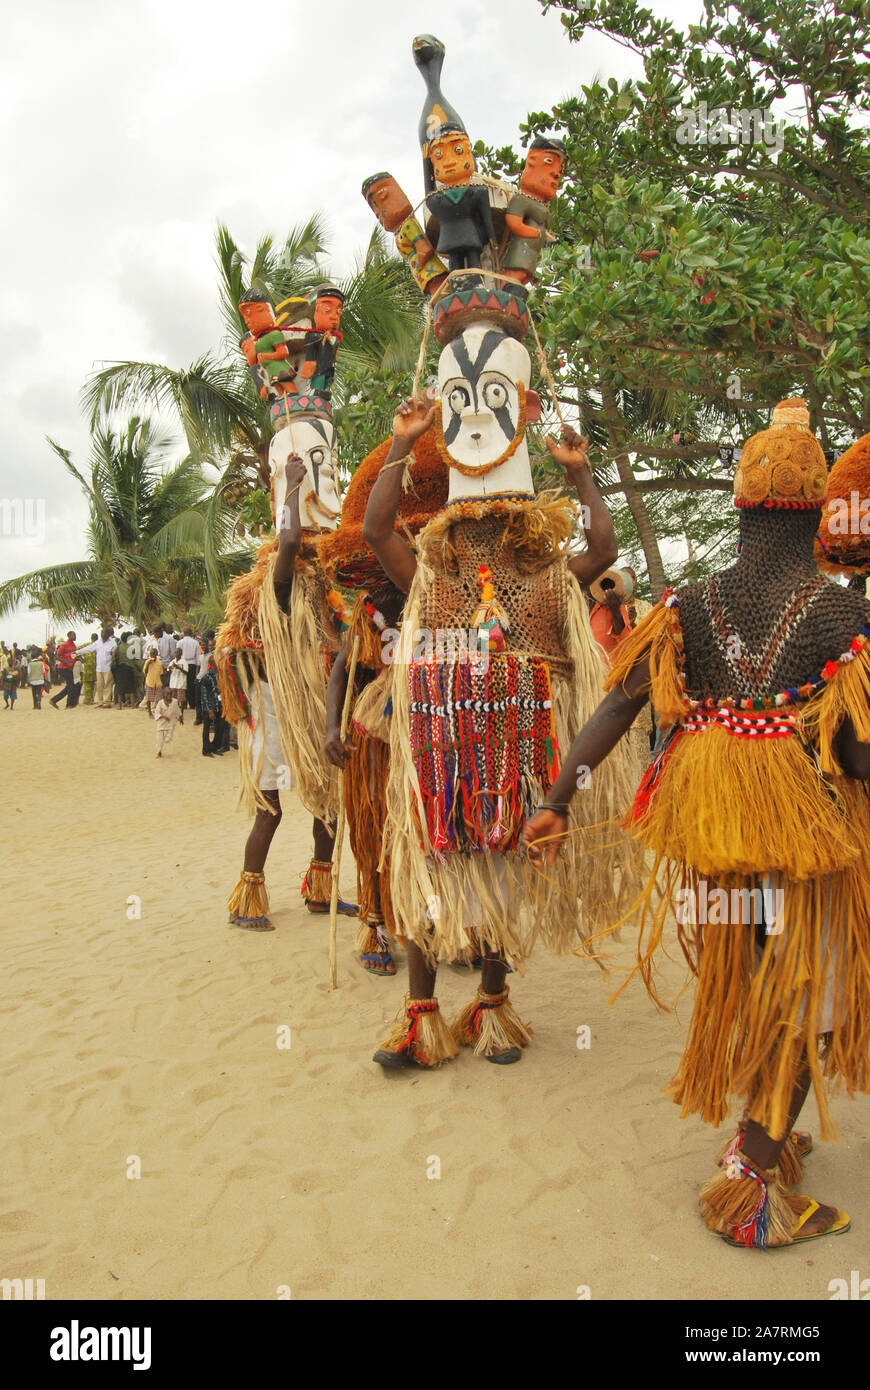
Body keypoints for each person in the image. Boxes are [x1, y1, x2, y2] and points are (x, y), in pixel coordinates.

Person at [524, 399, 869, 1249]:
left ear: (742, 509)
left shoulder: (691, 605)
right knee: (805, 992)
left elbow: (618, 707)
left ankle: (766, 1136)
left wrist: (557, 801)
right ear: (814, 516)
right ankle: (750, 1185)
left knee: (751, 979)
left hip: (715, 839)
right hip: (806, 845)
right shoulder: (836, 615)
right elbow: (859, 755)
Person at [77, 628, 117, 707]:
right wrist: (77, 652)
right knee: (99, 685)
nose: (102, 634)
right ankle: (100, 702)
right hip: (99, 668)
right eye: (101, 632)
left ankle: (106, 702)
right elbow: (89, 649)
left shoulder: (113, 643)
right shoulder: (98, 642)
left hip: (108, 668)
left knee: (107, 685)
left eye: (104, 633)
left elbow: (114, 655)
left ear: (108, 634)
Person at [200, 653, 229, 757]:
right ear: (212, 664)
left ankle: (214, 747)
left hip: (219, 706)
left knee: (220, 728)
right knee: (207, 729)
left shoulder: (220, 676)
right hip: (210, 708)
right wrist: (210, 710)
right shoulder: (206, 678)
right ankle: (206, 750)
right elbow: (204, 696)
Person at [49, 631, 77, 708]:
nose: (75, 636)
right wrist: (67, 663)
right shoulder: (64, 645)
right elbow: (57, 656)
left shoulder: (73, 645)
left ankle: (54, 700)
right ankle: (69, 704)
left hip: (70, 668)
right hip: (63, 668)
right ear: (69, 636)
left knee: (70, 686)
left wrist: (78, 659)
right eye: (74, 635)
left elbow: (73, 656)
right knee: (71, 685)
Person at [153, 688, 181, 757]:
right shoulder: (160, 703)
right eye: (167, 694)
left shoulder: (174, 702)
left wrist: (180, 718)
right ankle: (159, 751)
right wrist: (163, 717)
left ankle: (165, 740)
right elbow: (157, 712)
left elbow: (177, 710)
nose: (169, 695)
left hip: (171, 723)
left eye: (170, 694)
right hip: (161, 723)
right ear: (163, 695)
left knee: (168, 739)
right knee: (159, 739)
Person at [177, 628, 200, 709]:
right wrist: (197, 668)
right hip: (192, 664)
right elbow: (198, 657)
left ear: (184, 633)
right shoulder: (195, 642)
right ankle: (192, 704)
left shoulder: (180, 642)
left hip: (182, 664)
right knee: (191, 685)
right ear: (191, 633)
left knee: (183, 684)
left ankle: (184, 703)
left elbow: (177, 654)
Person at [113, 632, 137, 708]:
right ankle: (132, 705)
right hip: (129, 668)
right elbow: (135, 657)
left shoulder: (118, 647)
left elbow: (113, 657)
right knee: (131, 687)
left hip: (120, 668)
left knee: (120, 687)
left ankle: (119, 706)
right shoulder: (131, 647)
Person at [142, 646, 164, 715]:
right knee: (149, 698)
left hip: (158, 682)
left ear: (156, 654)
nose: (152, 655)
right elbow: (145, 672)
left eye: (154, 653)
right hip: (150, 682)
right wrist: (148, 664)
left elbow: (161, 673)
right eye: (151, 653)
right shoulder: (147, 661)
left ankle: (158, 711)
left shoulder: (159, 662)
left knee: (158, 698)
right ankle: (149, 712)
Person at [167, 655, 187, 720]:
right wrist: (171, 667)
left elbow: (186, 672)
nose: (176, 654)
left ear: (181, 653)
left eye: (178, 652)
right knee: (173, 700)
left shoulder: (184, 661)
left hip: (181, 683)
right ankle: (174, 713)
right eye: (175, 652)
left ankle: (181, 714)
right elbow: (168, 670)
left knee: (181, 700)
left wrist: (178, 667)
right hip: (173, 683)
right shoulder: (172, 661)